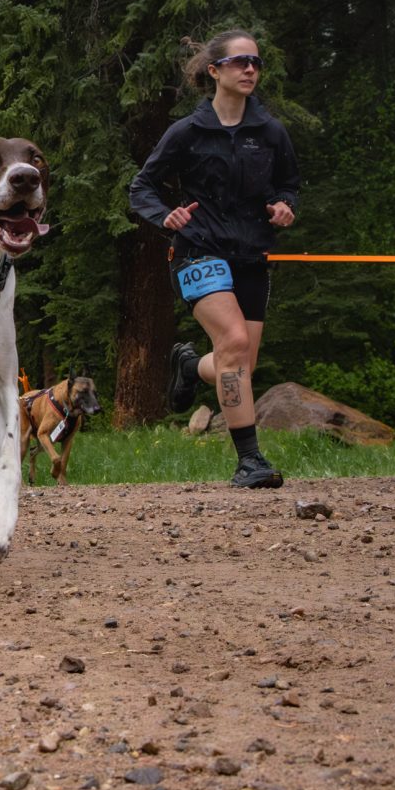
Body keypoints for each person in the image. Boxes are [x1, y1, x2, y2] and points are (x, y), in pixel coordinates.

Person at [127, 29, 301, 489]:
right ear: (214, 70)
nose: (250, 70)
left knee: (238, 361)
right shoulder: (186, 132)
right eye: (240, 61)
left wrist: (284, 207)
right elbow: (141, 187)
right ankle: (250, 461)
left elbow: (289, 186)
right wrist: (166, 216)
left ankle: (190, 366)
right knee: (235, 344)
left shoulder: (270, 133)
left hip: (250, 255)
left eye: (256, 63)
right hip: (198, 251)